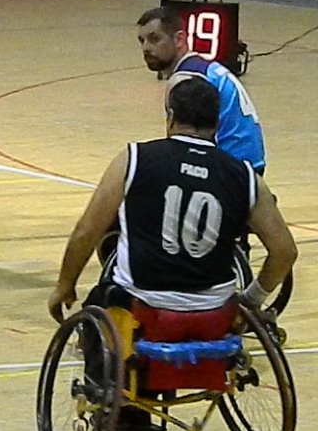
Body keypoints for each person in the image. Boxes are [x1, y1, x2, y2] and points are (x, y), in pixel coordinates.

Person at [47, 77, 296, 323]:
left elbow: (86, 232)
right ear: (217, 122)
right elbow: (285, 252)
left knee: (99, 304)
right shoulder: (246, 176)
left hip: (141, 303)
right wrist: (252, 298)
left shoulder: (133, 158)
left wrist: (64, 286)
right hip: (214, 311)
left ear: (171, 117)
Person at [137, 6, 265, 173]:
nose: (146, 48)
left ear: (179, 39)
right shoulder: (205, 67)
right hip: (250, 162)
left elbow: (187, 143)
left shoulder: (185, 79)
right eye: (142, 41)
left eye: (154, 39)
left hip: (232, 168)